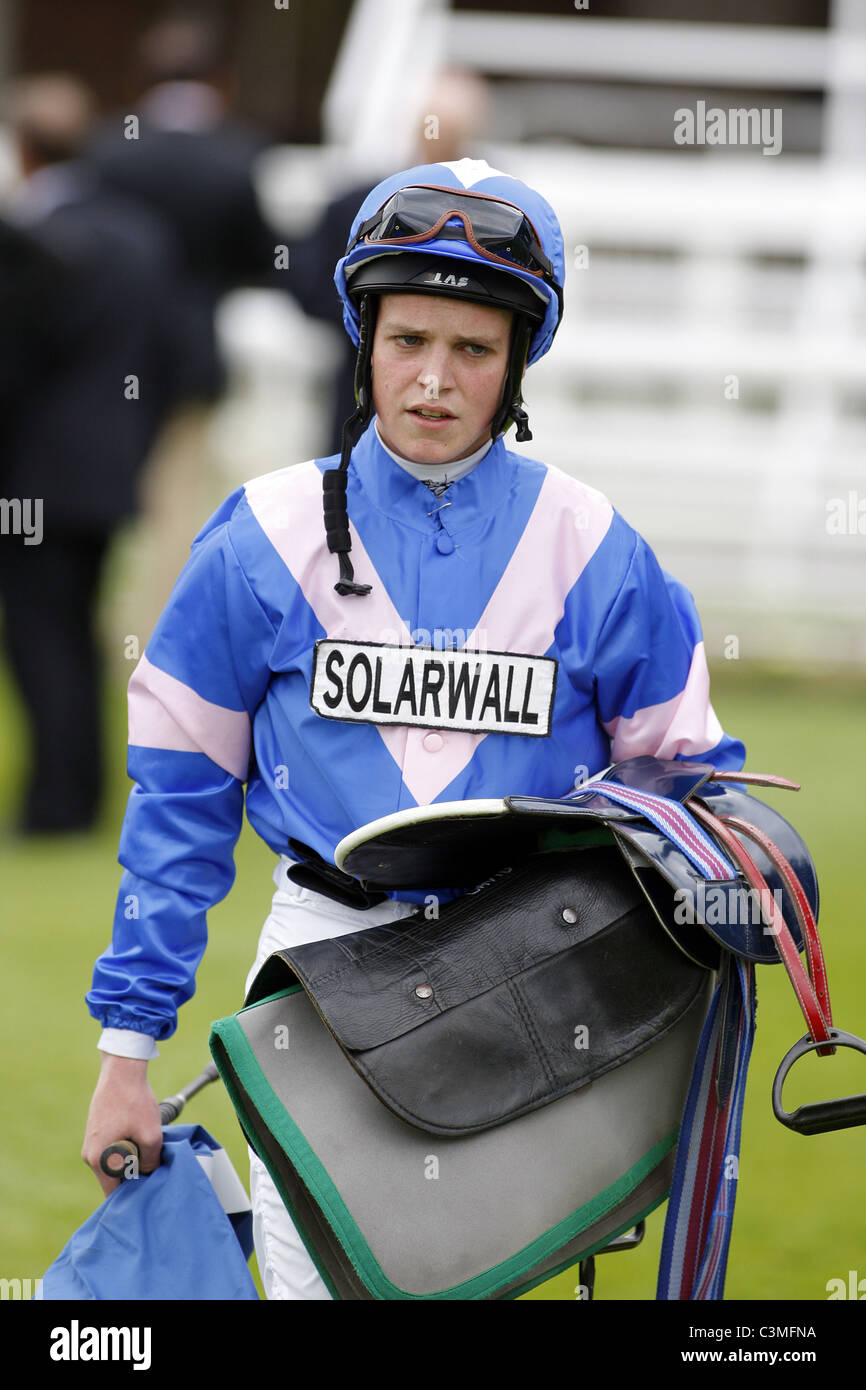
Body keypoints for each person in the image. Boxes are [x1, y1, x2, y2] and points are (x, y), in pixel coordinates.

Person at [82, 158, 745, 1299]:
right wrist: (126, 1053)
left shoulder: (597, 551)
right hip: (315, 968)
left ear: (515, 364)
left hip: (534, 977)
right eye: (407, 342)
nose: (433, 381)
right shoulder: (261, 535)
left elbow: (690, 793)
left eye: (473, 351)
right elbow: (177, 812)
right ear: (362, 340)